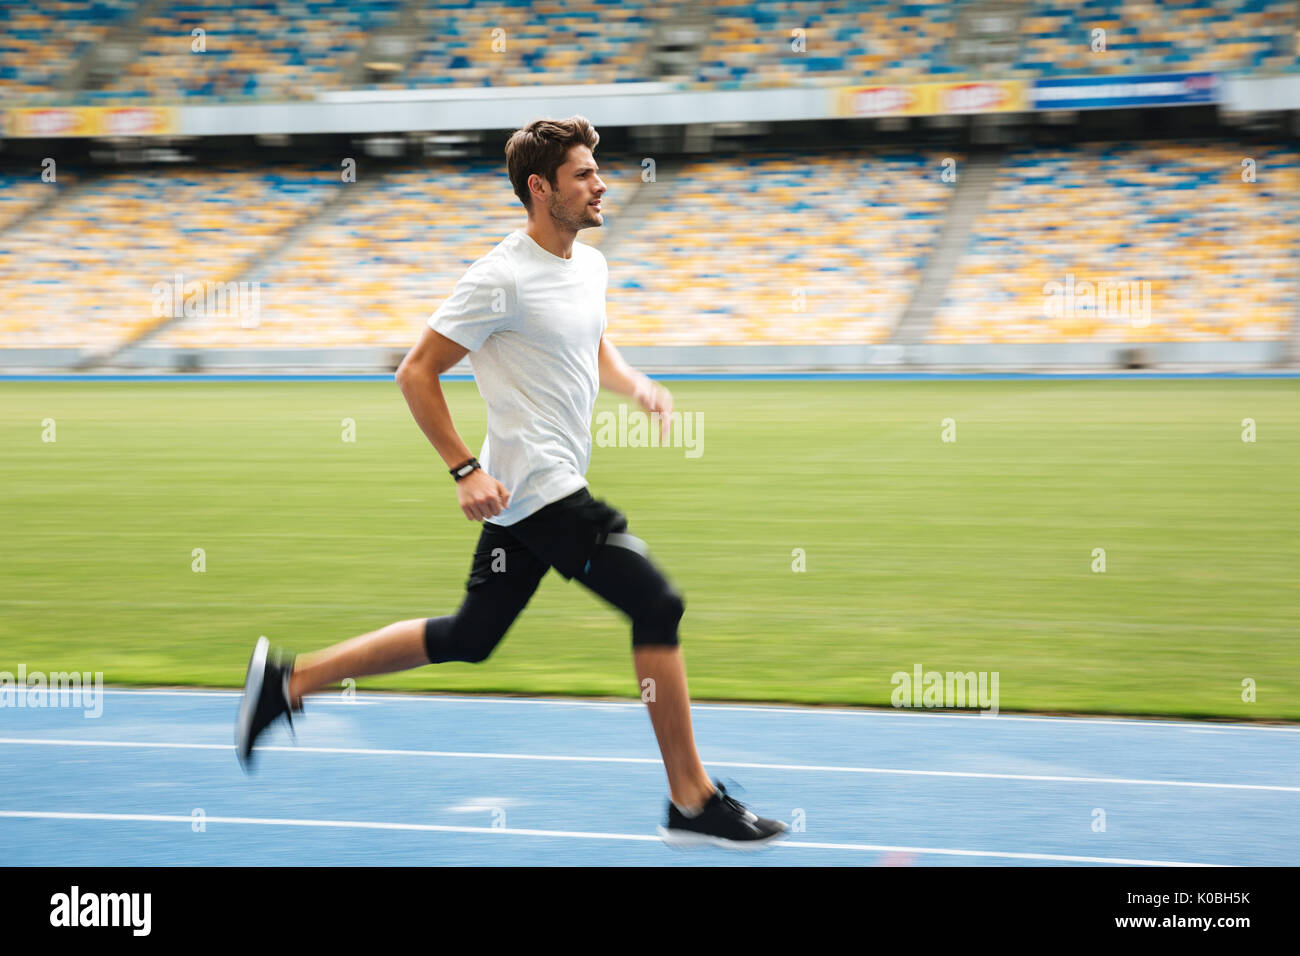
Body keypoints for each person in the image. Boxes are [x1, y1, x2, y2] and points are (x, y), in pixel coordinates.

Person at [236, 115, 788, 849]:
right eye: (584, 174)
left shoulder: (586, 263)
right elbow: (416, 372)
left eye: (598, 171)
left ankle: (287, 682)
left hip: (522, 497)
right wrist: (463, 469)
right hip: (538, 490)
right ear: (540, 188)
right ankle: (692, 801)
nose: (602, 184)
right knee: (657, 603)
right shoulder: (498, 276)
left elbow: (589, 339)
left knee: (472, 637)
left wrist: (634, 384)